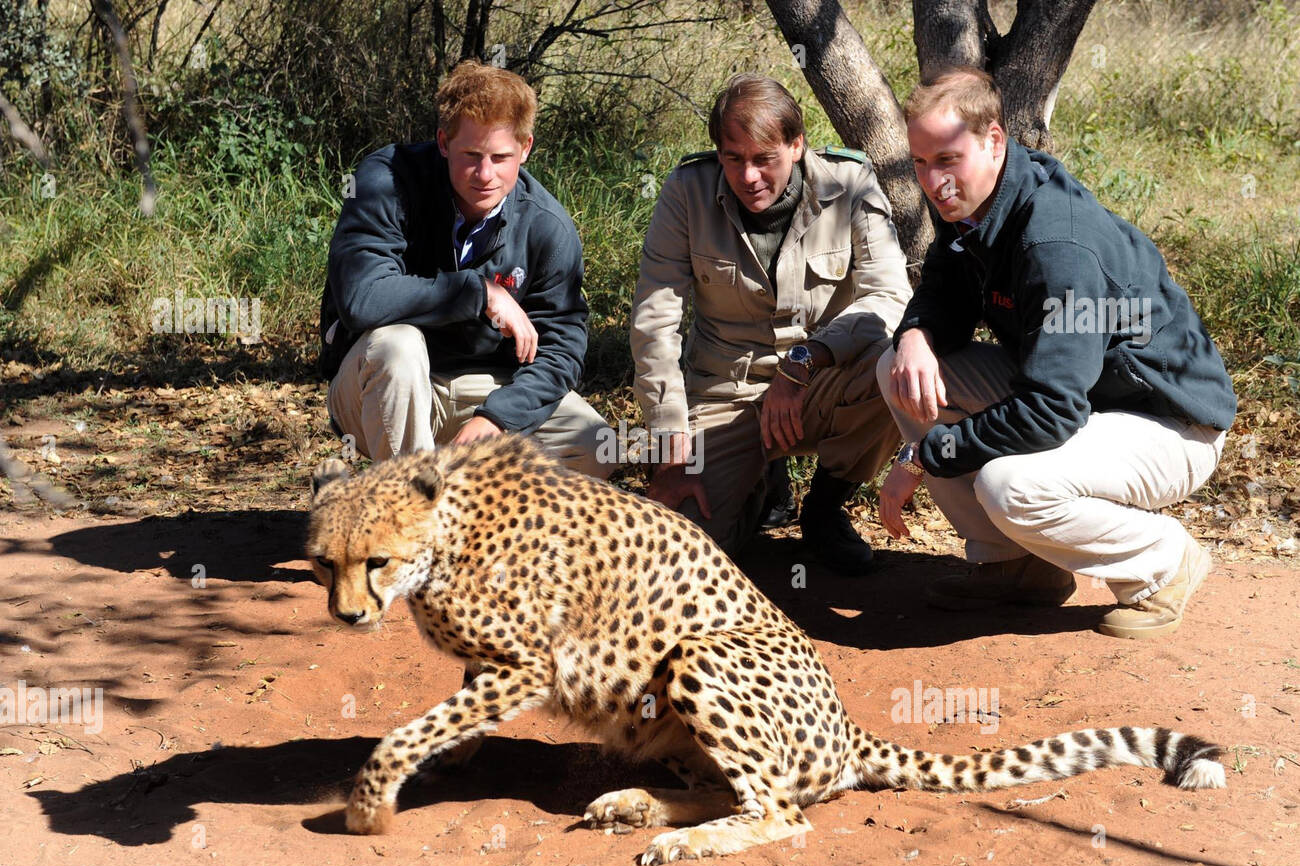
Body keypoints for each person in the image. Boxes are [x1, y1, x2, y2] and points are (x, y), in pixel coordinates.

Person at [876, 67, 1237, 639]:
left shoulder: (1056, 245)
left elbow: (1050, 411)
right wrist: (916, 334)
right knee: (899, 368)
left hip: (1167, 422)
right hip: (1082, 393)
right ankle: (1014, 566)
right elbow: (943, 292)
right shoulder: (977, 202)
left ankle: (1163, 562)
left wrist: (924, 456)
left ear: (995, 141)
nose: (932, 181)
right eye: (919, 163)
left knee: (1011, 485)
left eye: (947, 159)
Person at [629, 73, 912, 572]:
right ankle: (755, 489)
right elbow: (655, 324)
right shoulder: (687, 193)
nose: (749, 176)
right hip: (725, 391)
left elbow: (889, 296)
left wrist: (805, 359)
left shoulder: (850, 185)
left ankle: (825, 508)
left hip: (820, 380)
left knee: (892, 367)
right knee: (676, 560)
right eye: (733, 158)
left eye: (764, 159)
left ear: (797, 145)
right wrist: (668, 446)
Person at [318, 60, 613, 478]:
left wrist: (498, 419)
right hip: (384, 384)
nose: (485, 174)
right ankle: (412, 522)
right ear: (443, 142)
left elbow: (561, 347)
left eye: (501, 156)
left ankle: (473, 527)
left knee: (593, 447)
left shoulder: (547, 225)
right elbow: (361, 299)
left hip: (486, 389)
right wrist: (479, 293)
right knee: (397, 346)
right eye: (471, 155)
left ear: (525, 148)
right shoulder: (386, 180)